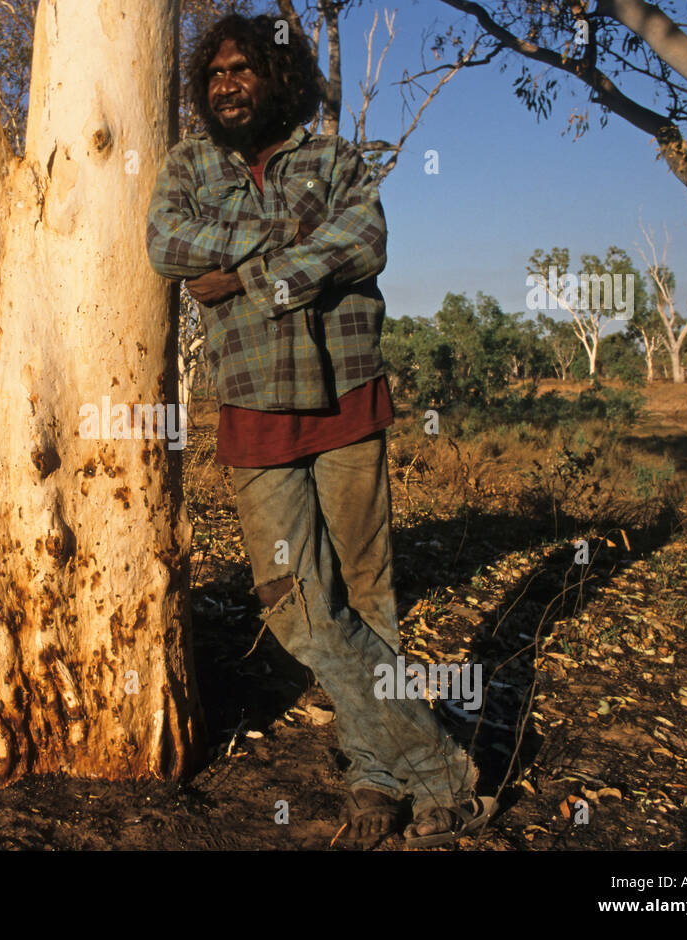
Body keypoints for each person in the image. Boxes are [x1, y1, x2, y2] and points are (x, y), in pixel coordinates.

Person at [145, 12, 495, 848]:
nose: (228, 85)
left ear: (281, 77)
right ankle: (441, 766)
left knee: (368, 596)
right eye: (216, 75)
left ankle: (376, 773)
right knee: (297, 604)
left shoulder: (335, 160)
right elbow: (166, 244)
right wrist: (287, 243)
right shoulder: (189, 166)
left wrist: (249, 277)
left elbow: (365, 240)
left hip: (346, 394)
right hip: (254, 404)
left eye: (244, 70)